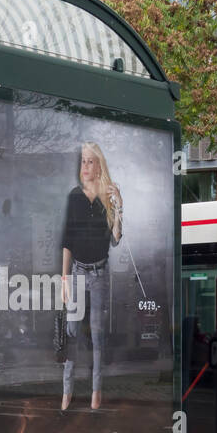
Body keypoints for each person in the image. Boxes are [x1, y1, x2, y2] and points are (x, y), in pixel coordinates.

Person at [60, 141, 122, 412]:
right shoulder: (74, 196)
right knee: (72, 334)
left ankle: (96, 392)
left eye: (89, 161)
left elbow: (117, 238)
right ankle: (67, 391)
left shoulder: (108, 197)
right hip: (76, 273)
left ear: (99, 165)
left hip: (99, 273)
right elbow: (67, 239)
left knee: (97, 336)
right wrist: (63, 279)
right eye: (82, 161)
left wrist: (119, 205)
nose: (84, 166)